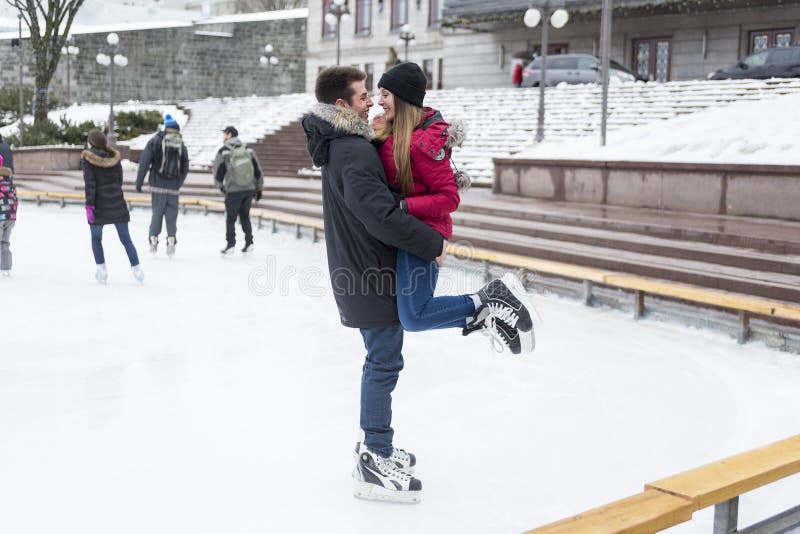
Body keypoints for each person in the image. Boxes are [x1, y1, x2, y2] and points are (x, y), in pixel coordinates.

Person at [302, 66, 447, 504]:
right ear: (342, 105)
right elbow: (380, 216)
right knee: (383, 363)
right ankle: (375, 456)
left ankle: (375, 447)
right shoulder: (351, 151)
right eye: (364, 96)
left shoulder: (342, 145)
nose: (372, 103)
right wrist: (432, 242)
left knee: (382, 361)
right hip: (369, 272)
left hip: (363, 269)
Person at [374, 61, 536, 355]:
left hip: (421, 234)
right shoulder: (395, 134)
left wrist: (402, 206)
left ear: (402, 96)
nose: (379, 101)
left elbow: (449, 198)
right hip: (406, 231)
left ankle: (492, 297)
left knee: (414, 316)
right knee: (411, 315)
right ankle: (486, 313)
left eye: (385, 94)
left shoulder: (422, 143)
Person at [82, 130, 143, 284]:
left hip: (98, 206)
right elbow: (119, 181)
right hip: (117, 203)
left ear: (91, 143)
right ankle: (137, 269)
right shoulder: (115, 159)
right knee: (126, 240)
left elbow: (90, 185)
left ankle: (101, 270)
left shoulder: (88, 159)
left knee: (96, 238)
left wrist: (89, 206)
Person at [135, 114, 189, 256]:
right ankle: (171, 239)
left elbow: (145, 162)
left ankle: (153, 240)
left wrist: (139, 182)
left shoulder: (155, 141)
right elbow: (185, 166)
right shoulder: (180, 144)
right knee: (171, 216)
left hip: (157, 185)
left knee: (157, 214)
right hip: (173, 188)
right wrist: (178, 182)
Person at [212, 126, 263, 254]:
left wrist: (221, 187)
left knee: (231, 218)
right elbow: (257, 169)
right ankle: (249, 242)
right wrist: (259, 188)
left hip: (233, 190)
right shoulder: (248, 148)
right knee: (245, 216)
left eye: (224, 133)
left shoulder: (224, 151)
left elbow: (217, 171)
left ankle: (230, 245)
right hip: (249, 189)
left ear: (229, 135)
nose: (223, 136)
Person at [0, 154, 17, 276]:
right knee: (5, 242)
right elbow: (16, 199)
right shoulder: (10, 182)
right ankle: (6, 268)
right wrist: (14, 215)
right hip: (10, 216)